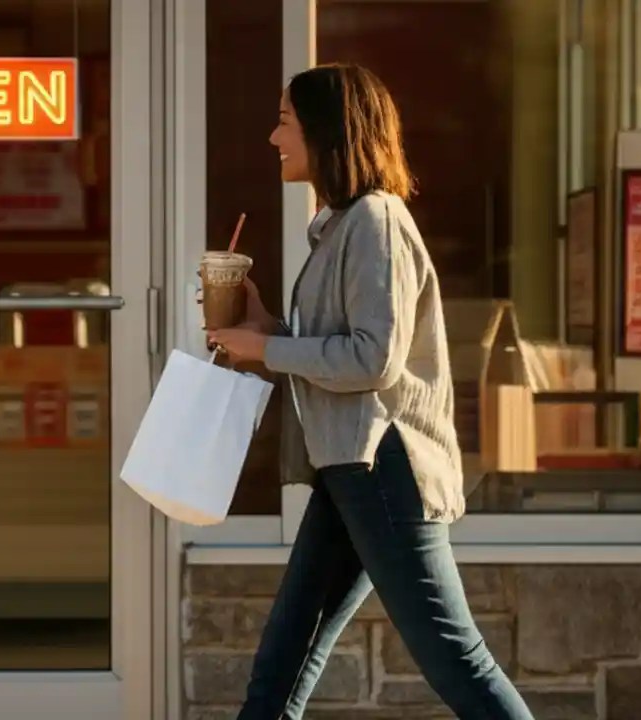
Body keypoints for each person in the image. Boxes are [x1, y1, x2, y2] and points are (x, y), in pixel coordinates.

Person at [206, 64, 535, 719]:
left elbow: (373, 360)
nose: (273, 136)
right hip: (349, 468)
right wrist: (264, 326)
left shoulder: (375, 222)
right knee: (281, 665)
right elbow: (338, 349)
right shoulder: (340, 227)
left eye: (285, 121)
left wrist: (266, 348)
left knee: (454, 657)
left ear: (328, 131)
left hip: (385, 467)